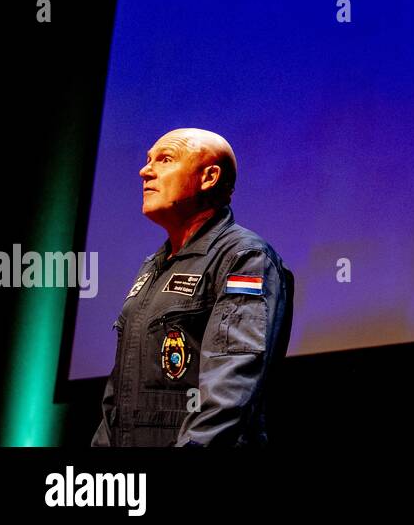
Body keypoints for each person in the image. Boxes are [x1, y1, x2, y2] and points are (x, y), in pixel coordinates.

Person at [91, 128, 292, 446]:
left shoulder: (244, 257)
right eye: (148, 160)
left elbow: (231, 391)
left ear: (209, 176)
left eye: (165, 159)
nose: (146, 170)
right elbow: (118, 399)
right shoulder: (153, 266)